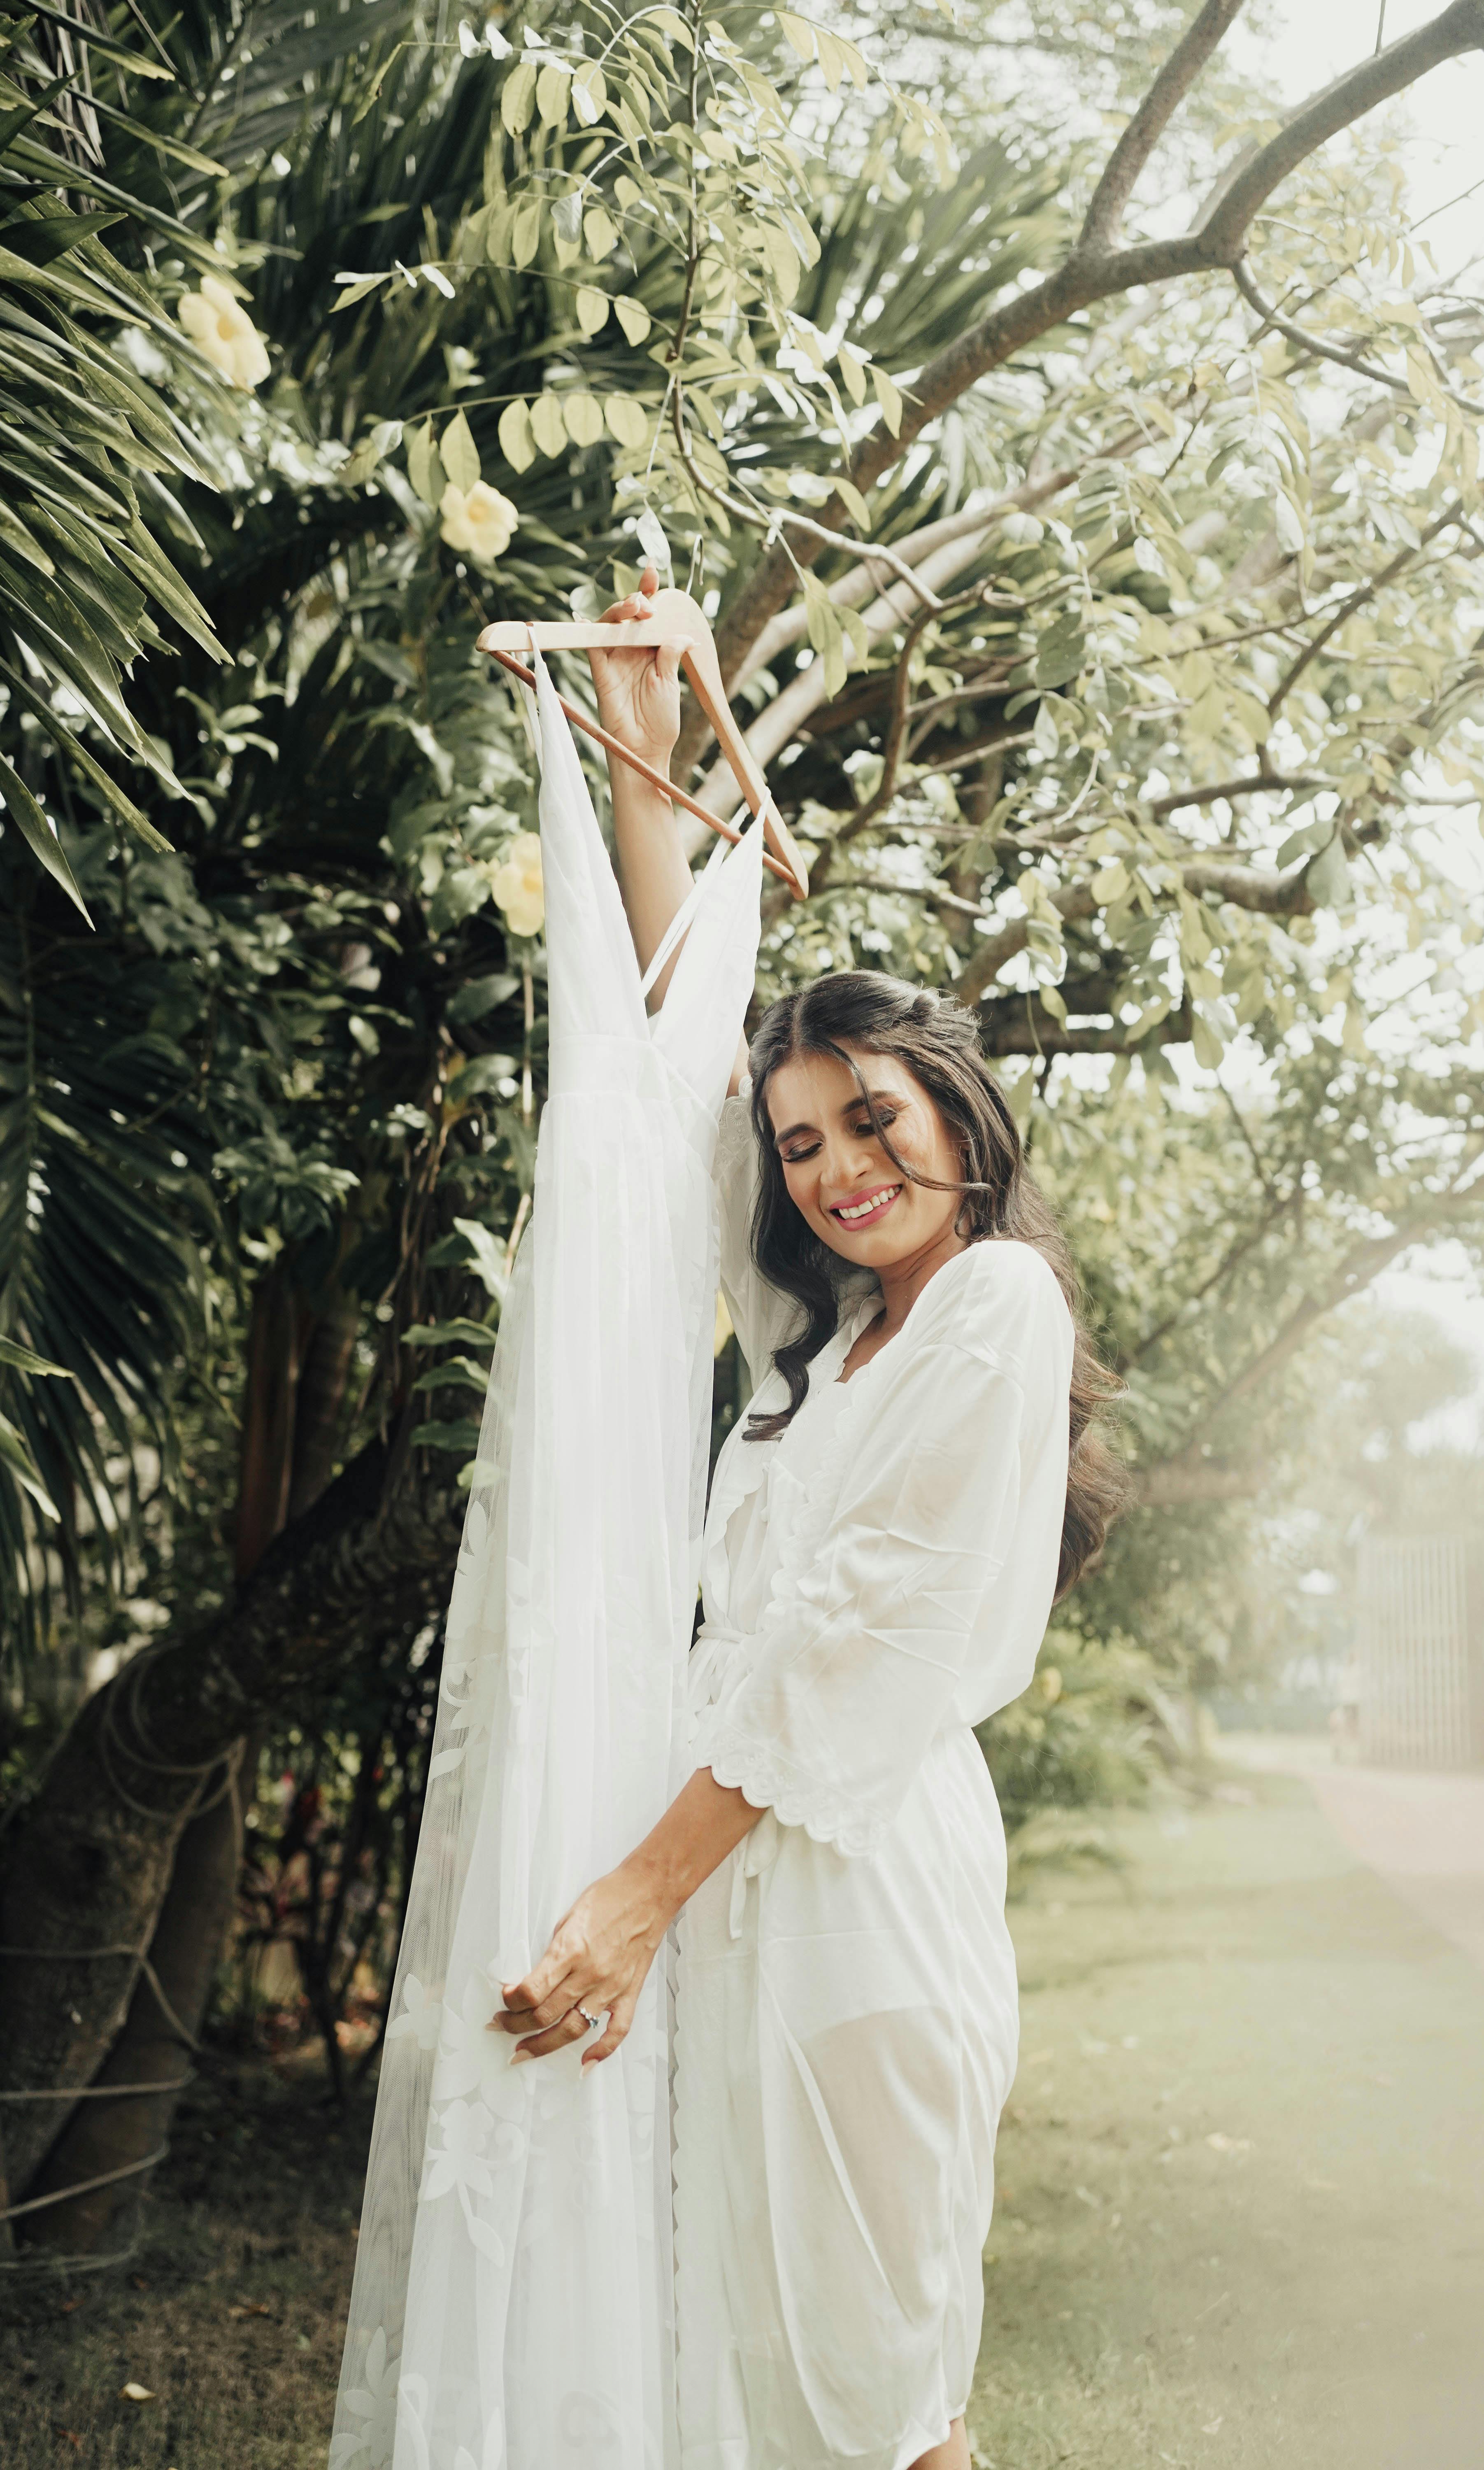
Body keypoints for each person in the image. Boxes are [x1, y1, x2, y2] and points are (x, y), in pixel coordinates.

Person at [492, 570, 1128, 2470]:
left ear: (952, 1105)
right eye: (804, 1146)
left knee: (878, 2394)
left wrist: (630, 1897)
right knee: (753, 2375)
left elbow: (858, 1637)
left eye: (871, 1117)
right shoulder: (829, 1339)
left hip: (860, 1891)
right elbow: (678, 1078)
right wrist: (650, 762)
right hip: (743, 1879)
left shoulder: (998, 1311)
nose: (840, 1168)